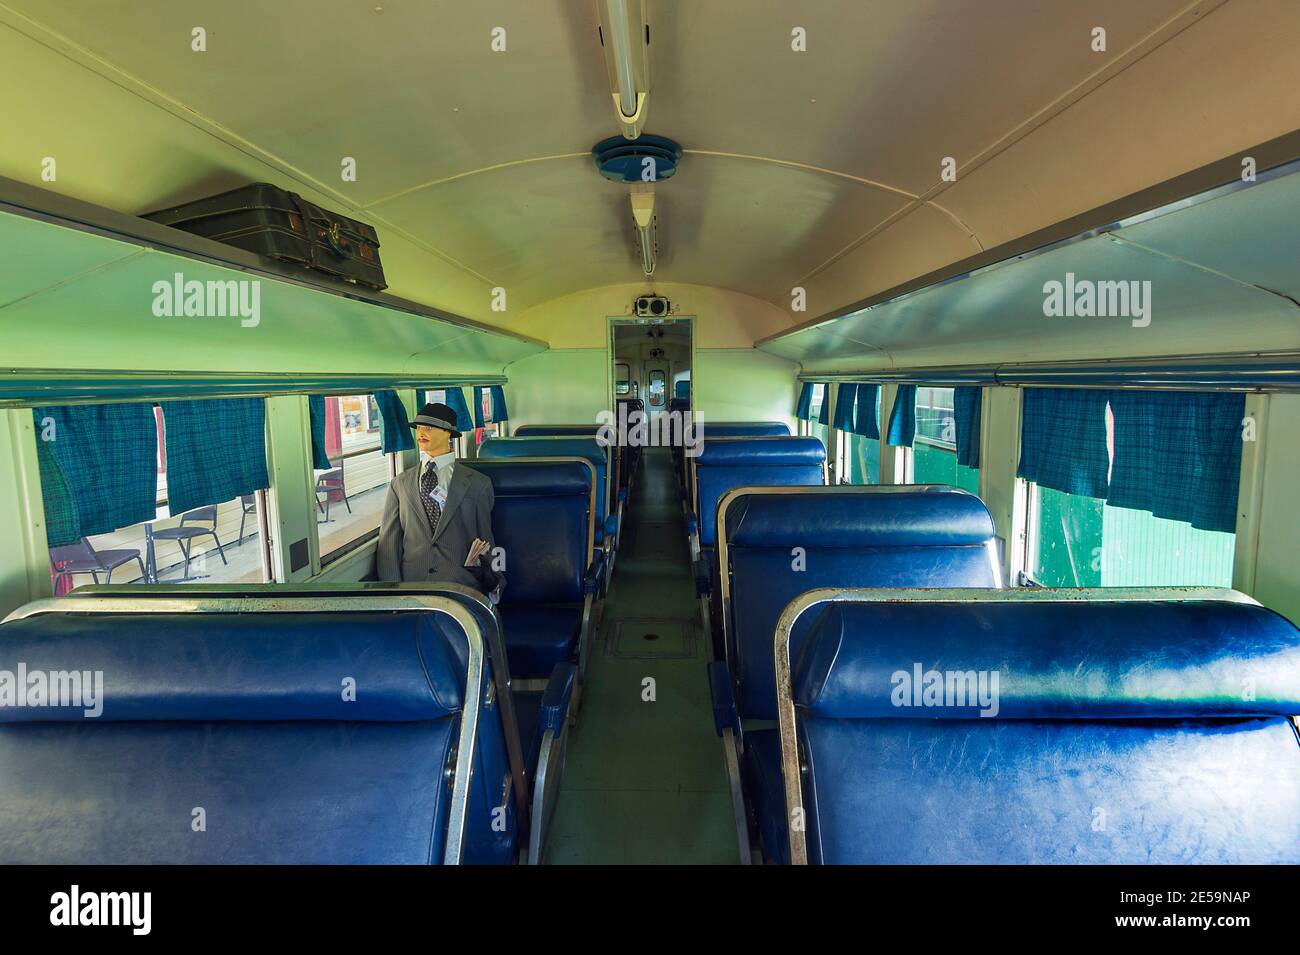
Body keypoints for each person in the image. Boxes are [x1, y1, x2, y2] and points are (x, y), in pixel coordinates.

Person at [376, 402, 503, 598]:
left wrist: (495, 580)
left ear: (448, 433)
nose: (421, 433)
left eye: (429, 428)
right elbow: (389, 544)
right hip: (413, 585)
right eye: (418, 428)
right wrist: (391, 592)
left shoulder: (478, 483)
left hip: (462, 583)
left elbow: (487, 538)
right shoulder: (400, 483)